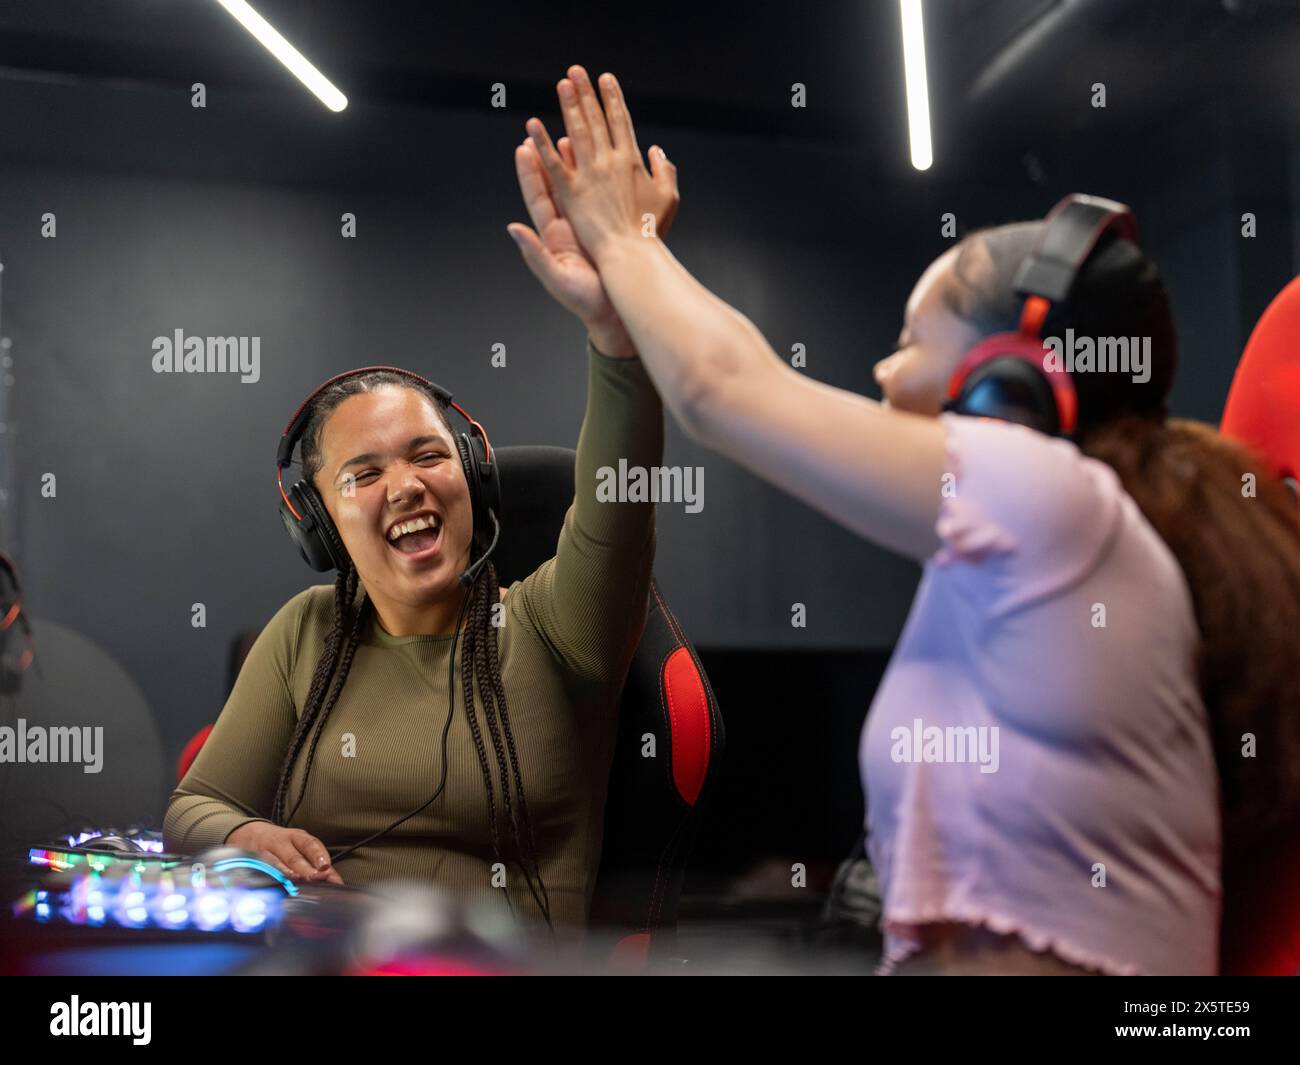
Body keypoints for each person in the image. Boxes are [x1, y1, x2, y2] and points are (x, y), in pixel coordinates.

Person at [516, 65, 1300, 972]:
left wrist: (626, 236)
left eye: (910, 343)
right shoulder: (1051, 541)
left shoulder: (1047, 497)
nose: (884, 376)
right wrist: (624, 317)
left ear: (1004, 379)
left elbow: (721, 389)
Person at [163, 136, 679, 933]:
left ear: (469, 474)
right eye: (362, 474)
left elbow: (618, 497)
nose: (403, 484)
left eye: (427, 454)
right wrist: (245, 832)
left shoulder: (554, 624)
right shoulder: (307, 631)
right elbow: (195, 805)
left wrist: (617, 328)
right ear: (323, 521)